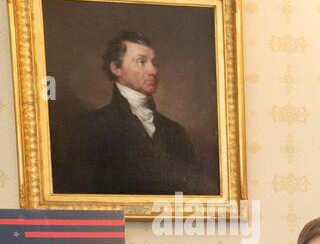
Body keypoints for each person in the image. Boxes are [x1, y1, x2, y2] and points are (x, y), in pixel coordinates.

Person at [72, 31, 214, 195]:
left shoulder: (175, 131)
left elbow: (193, 192)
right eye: (141, 62)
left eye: (154, 63)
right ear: (116, 68)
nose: (153, 71)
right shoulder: (91, 127)